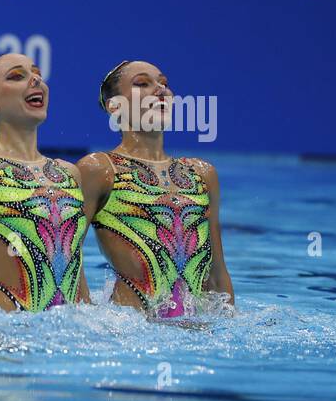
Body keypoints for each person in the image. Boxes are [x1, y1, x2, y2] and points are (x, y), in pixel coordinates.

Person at [77, 59, 234, 316]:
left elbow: (217, 274)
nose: (161, 90)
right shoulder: (100, 170)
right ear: (115, 106)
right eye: (142, 84)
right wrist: (87, 318)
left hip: (196, 333)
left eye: (164, 83)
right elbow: (68, 257)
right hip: (130, 332)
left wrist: (228, 326)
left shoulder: (202, 174)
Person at [0, 53, 89, 311]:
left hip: (72, 336)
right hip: (6, 333)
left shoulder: (69, 174)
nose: (36, 80)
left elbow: (75, 267)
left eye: (37, 73)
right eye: (17, 76)